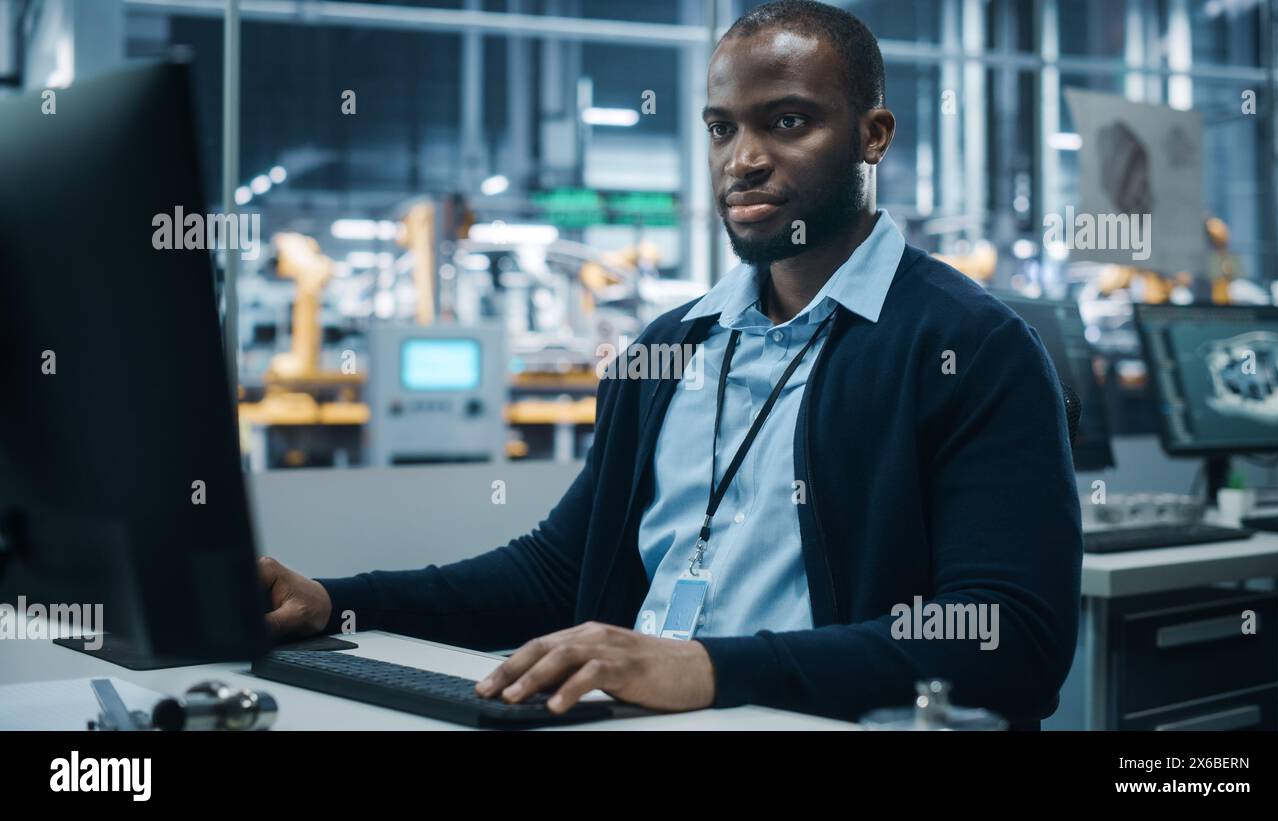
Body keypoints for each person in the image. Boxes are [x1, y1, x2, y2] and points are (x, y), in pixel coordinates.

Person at [258, 0, 1082, 727]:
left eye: (788, 122)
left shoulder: (970, 348)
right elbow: (561, 571)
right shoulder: (666, 348)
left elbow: (1009, 636)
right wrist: (339, 601)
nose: (743, 158)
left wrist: (710, 669)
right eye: (723, 127)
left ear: (874, 135)